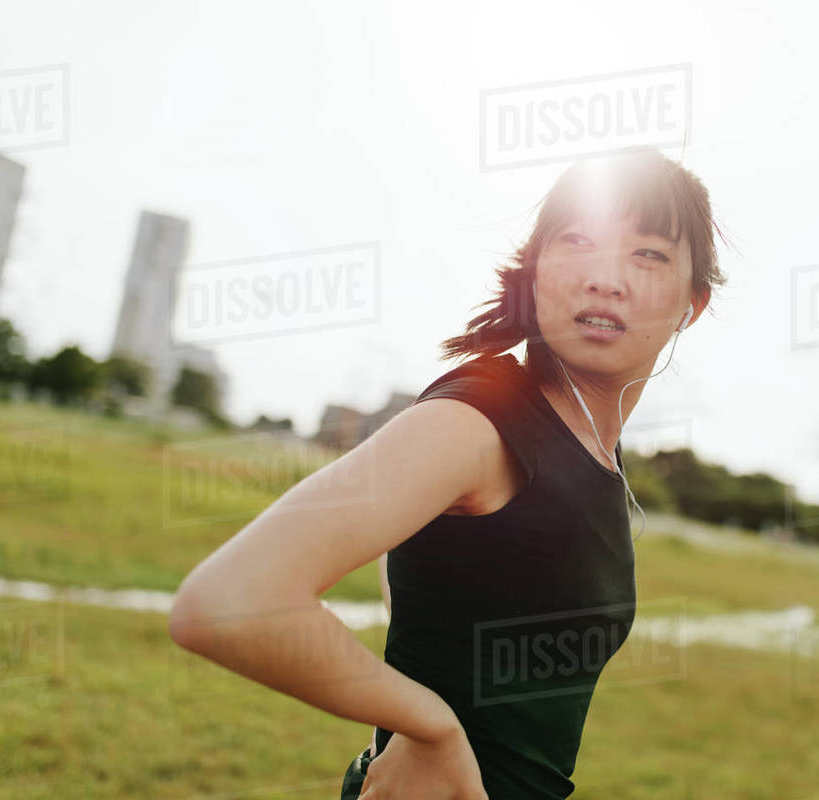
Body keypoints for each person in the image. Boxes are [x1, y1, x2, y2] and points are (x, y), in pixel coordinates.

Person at [167, 145, 729, 799]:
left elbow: (420, 559)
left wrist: (427, 683)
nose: (606, 277)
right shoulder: (480, 420)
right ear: (535, 269)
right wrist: (428, 726)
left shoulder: (594, 448)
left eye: (648, 254)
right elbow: (227, 603)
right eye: (576, 240)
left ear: (692, 304)